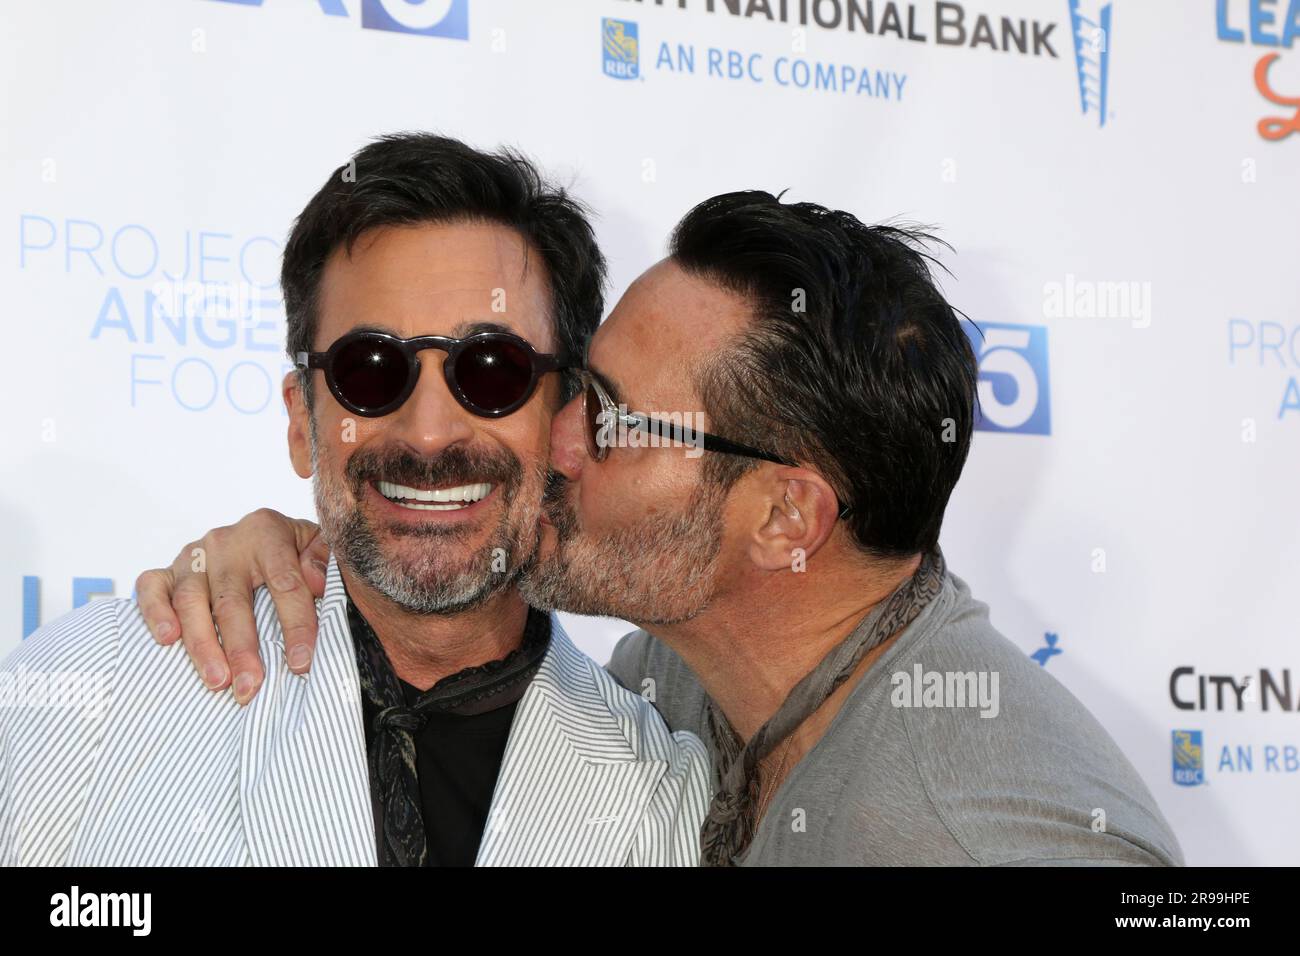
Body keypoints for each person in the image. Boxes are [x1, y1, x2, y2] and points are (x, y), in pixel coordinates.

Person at [139, 192, 1184, 867]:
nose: (552, 440)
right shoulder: (680, 672)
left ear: (784, 516)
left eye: (610, 417)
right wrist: (304, 548)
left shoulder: (974, 832)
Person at [0, 133, 709, 867]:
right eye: (369, 371)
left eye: (493, 371)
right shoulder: (95, 689)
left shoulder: (671, 796)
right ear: (303, 422)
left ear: (567, 419)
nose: (429, 434)